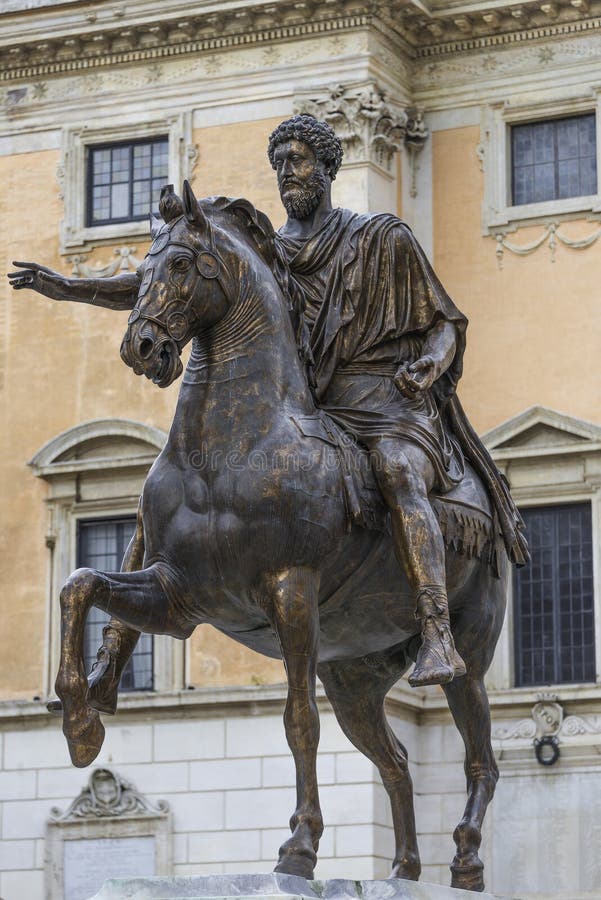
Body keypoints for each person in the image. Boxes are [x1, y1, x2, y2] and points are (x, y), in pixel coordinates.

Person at [9, 119, 527, 693]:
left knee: (397, 470)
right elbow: (159, 282)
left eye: (297, 160)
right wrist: (68, 289)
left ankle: (435, 630)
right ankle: (112, 658)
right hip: (313, 404)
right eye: (279, 163)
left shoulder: (382, 238)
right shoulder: (270, 257)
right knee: (158, 500)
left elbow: (444, 322)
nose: (286, 173)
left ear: (327, 168)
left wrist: (429, 364)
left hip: (387, 402)